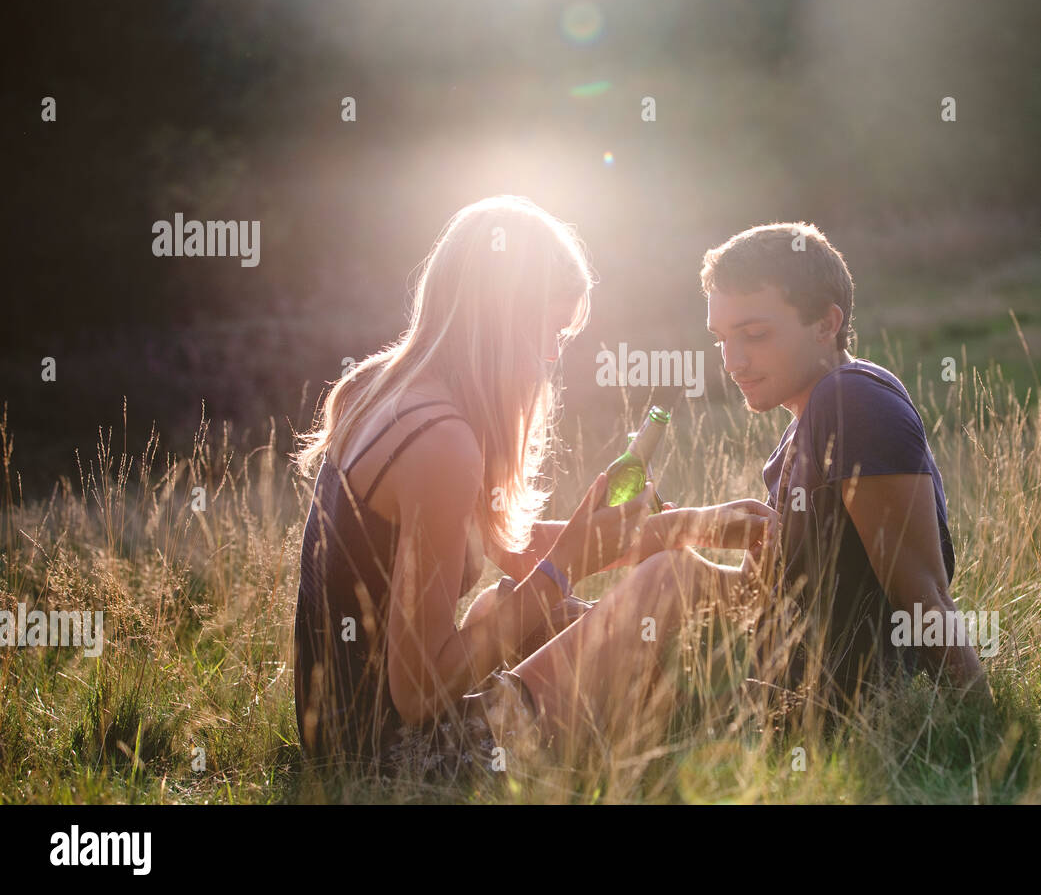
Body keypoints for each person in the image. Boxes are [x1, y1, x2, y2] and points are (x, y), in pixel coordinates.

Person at [290, 195, 777, 779]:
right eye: (547, 329)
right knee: (671, 582)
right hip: (394, 765)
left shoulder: (381, 388)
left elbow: (512, 548)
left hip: (337, 741)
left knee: (515, 606)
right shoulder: (439, 443)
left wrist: (680, 527)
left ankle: (733, 685)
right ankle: (776, 653)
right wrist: (571, 561)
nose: (550, 355)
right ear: (499, 315)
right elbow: (417, 692)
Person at [698, 222, 994, 733]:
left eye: (755, 335)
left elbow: (922, 590)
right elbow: (773, 599)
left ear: (825, 323)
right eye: (722, 339)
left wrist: (985, 732)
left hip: (826, 715)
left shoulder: (854, 401)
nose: (733, 361)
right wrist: (668, 536)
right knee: (643, 586)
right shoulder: (805, 429)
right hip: (764, 697)